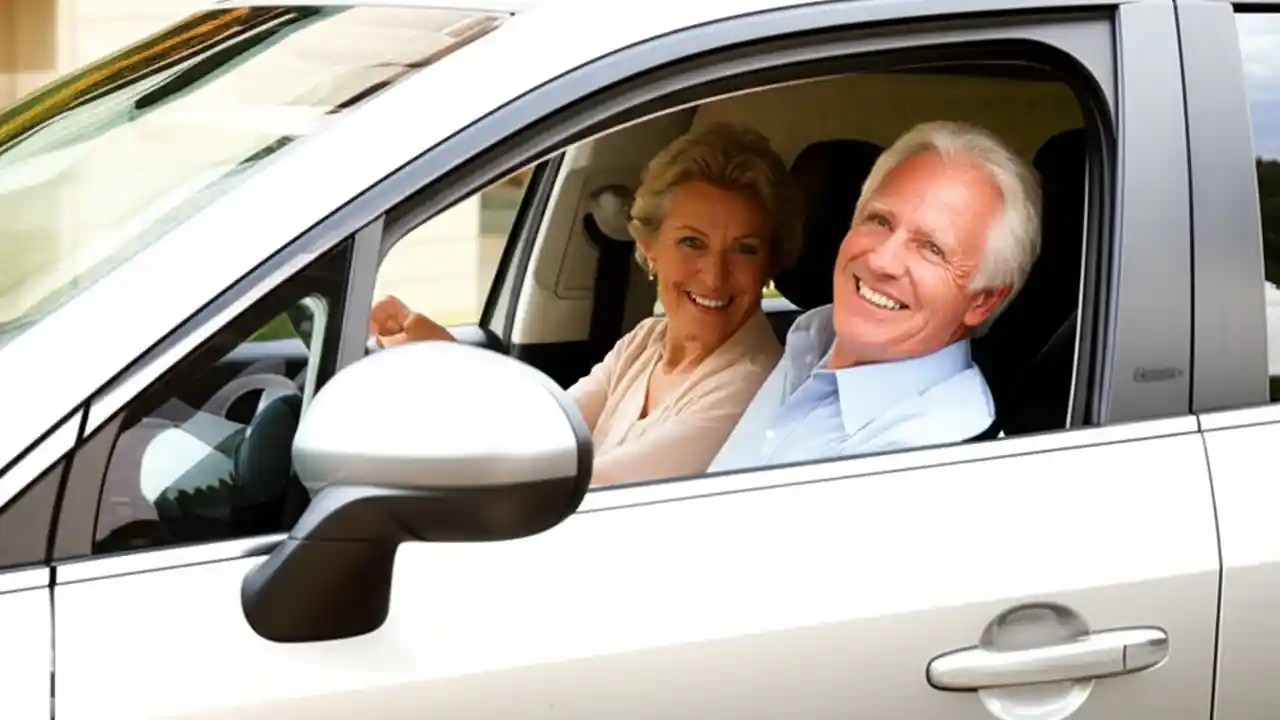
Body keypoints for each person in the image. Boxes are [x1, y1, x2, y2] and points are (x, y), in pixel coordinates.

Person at [372, 122, 802, 486]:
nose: (715, 275)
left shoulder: (754, 381)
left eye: (744, 249)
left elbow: (586, 489)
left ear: (769, 263)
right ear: (650, 247)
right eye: (692, 242)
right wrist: (444, 358)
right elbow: (546, 429)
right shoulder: (646, 340)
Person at [710, 120, 1042, 472]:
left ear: (983, 301)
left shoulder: (933, 458)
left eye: (932, 248)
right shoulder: (814, 339)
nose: (883, 260)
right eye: (880, 221)